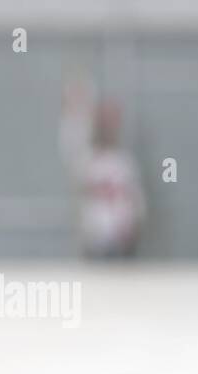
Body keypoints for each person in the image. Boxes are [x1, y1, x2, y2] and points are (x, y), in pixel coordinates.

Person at [60, 79, 146, 258]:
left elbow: (135, 202)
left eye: (113, 121)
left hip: (122, 245)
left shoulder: (124, 163)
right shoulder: (86, 160)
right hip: (94, 244)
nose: (109, 126)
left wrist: (131, 228)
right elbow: (71, 139)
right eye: (105, 120)